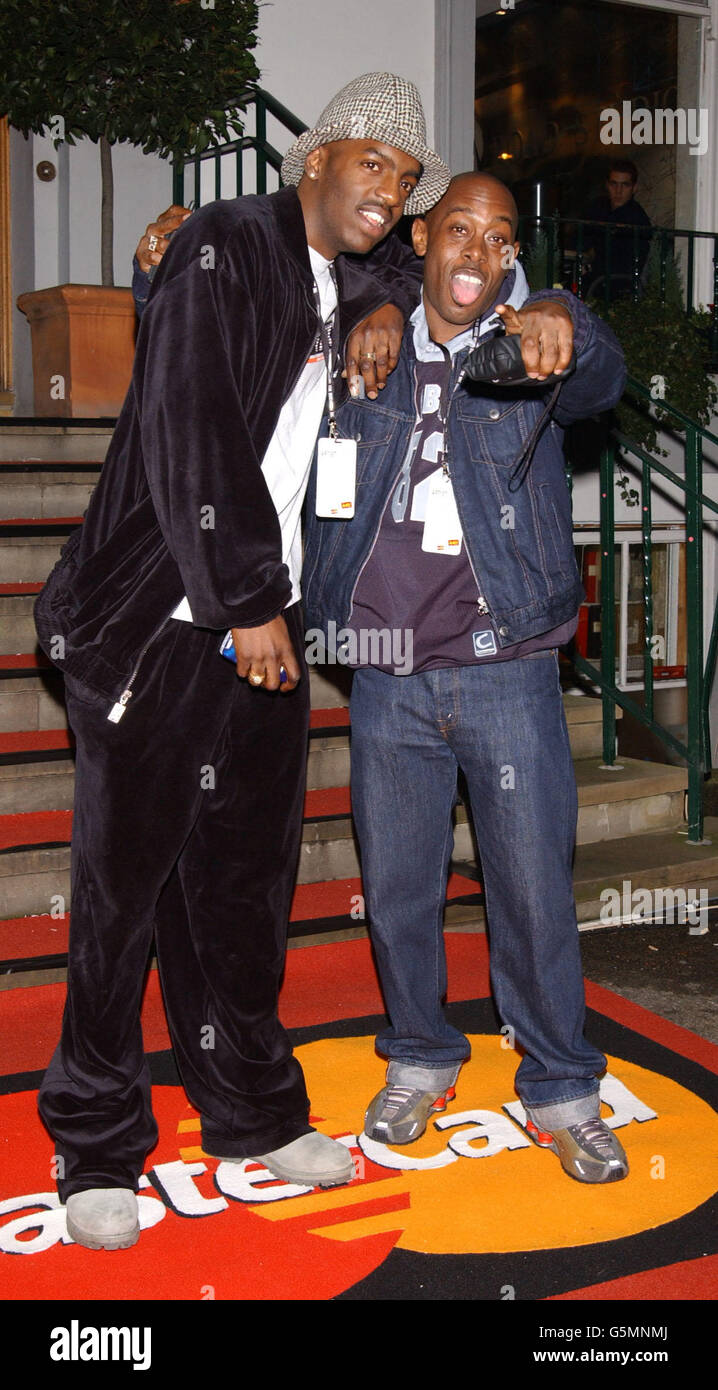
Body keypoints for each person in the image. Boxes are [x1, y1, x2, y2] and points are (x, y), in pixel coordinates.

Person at [34, 72, 451, 1251]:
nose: (391, 189)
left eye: (405, 177)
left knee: (242, 886)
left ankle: (254, 1114)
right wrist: (251, 602)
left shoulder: (348, 276)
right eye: (371, 162)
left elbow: (415, 269)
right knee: (121, 894)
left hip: (258, 627)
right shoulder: (223, 240)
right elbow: (191, 430)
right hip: (163, 620)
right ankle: (97, 1138)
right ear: (312, 158)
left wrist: (383, 294)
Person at [301, 172, 631, 1184]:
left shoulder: (529, 345)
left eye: (497, 238)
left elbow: (602, 377)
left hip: (505, 671)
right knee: (398, 890)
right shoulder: (368, 342)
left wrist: (557, 314)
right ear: (421, 237)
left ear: (509, 258)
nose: (475, 253)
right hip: (385, 673)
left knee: (531, 892)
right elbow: (245, 359)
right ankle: (418, 1054)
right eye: (458, 231)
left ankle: (562, 1084)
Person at [582, 159, 652, 294]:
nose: (618, 191)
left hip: (619, 287)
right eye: (614, 184)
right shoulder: (598, 208)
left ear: (634, 188)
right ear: (607, 185)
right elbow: (581, 240)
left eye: (625, 185)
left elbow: (627, 264)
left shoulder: (637, 218)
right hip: (594, 282)